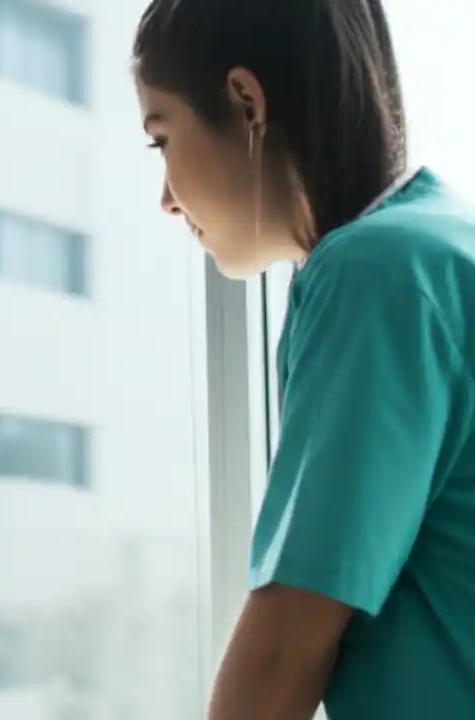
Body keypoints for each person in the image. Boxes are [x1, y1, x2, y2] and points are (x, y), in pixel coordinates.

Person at [133, 1, 475, 718]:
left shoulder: (377, 272)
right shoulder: (440, 246)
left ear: (245, 101)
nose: (166, 200)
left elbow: (286, 647)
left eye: (160, 140)